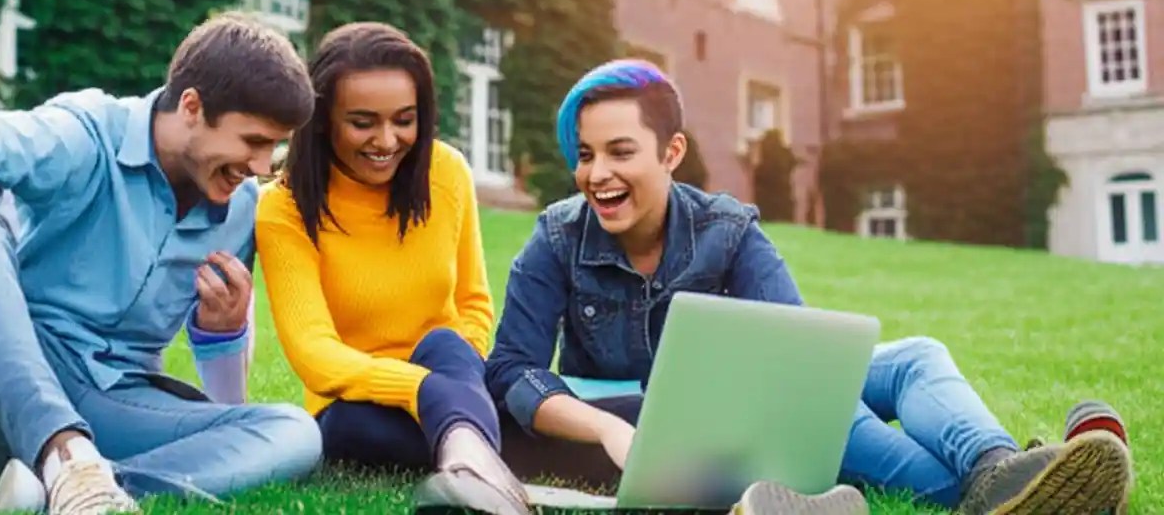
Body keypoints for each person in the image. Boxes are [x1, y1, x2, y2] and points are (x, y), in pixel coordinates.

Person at [484, 59, 1135, 515]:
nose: (597, 174)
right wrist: (602, 429)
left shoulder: (727, 230)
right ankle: (1028, 479)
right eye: (586, 155)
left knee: (913, 357)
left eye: (620, 152)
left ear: (672, 152)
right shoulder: (558, 238)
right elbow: (512, 369)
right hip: (669, 425)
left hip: (761, 405)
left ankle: (998, 466)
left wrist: (786, 389)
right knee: (827, 409)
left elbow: (803, 354)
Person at [0, 13, 325, 515]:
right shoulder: (89, 134)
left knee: (293, 431)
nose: (263, 167)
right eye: (253, 142)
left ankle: (86, 483)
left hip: (108, 403)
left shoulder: (240, 204)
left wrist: (220, 331)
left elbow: (228, 407)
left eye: (275, 147)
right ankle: (64, 458)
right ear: (192, 107)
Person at [254, 22, 531, 515]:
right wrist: (424, 392)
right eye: (363, 122)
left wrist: (450, 381)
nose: (388, 139)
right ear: (321, 120)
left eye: (405, 119)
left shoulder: (446, 172)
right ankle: (478, 448)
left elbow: (473, 305)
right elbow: (314, 353)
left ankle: (468, 469)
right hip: (356, 405)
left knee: (447, 342)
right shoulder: (285, 207)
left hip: (450, 369)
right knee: (347, 428)